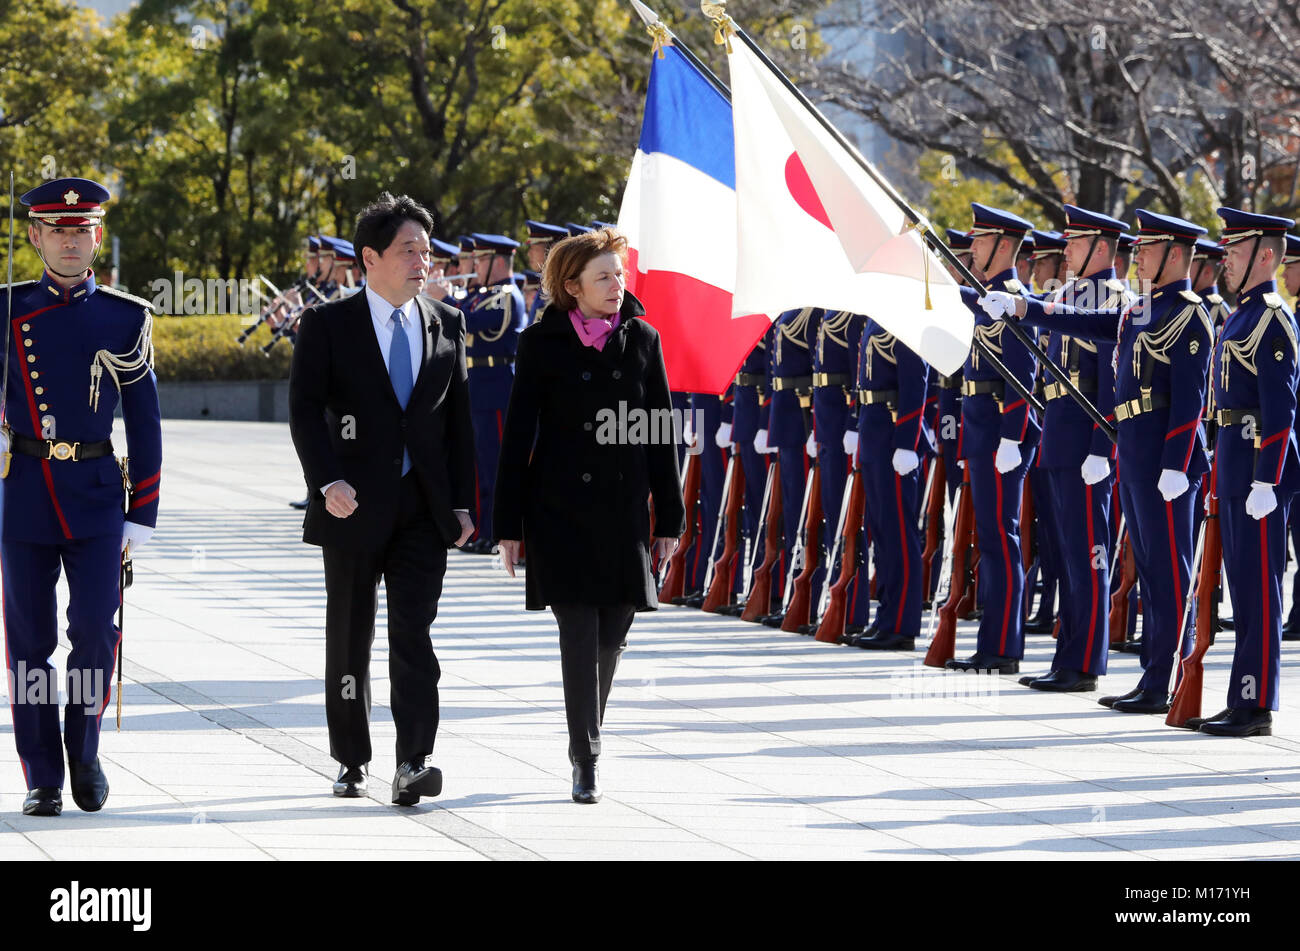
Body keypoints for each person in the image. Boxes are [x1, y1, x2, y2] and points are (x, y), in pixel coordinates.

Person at [982, 209, 1213, 714]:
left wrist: (1176, 461)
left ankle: (1168, 679)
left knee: (1169, 572)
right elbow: (1085, 320)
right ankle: (1152, 677)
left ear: (1175, 254)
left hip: (1163, 457)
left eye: (1148, 249)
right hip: (1134, 446)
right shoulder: (1141, 309)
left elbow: (1191, 398)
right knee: (1150, 571)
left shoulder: (1188, 312)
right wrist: (1024, 309)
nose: (1139, 257)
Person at [288, 192, 476, 805]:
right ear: (370, 257)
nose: (422, 261)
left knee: (414, 634)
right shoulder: (328, 324)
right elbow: (304, 412)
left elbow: (459, 424)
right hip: (351, 505)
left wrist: (465, 503)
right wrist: (326, 481)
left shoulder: (446, 324)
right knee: (350, 636)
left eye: (425, 250)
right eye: (407, 250)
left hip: (422, 508)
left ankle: (414, 759)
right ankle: (350, 757)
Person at [493, 226, 684, 804]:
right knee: (577, 635)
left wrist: (669, 521)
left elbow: (660, 435)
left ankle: (587, 734)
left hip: (623, 511)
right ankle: (586, 755)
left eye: (620, 275)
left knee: (612, 637)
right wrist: (509, 527)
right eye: (603, 277)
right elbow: (517, 437)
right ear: (572, 285)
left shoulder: (643, 340)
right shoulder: (540, 342)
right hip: (559, 512)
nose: (616, 286)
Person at [2, 177, 162, 817]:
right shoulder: (7, 310)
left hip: (97, 497)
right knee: (29, 644)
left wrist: (141, 513)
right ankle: (42, 773)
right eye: (57, 232)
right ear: (36, 237)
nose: (71, 243)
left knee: (96, 631)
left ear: (97, 237)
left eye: (82, 231)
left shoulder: (125, 316)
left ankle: (84, 748)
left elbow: (145, 421)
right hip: (25, 496)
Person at [1190, 208, 1299, 737]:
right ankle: (1240, 696)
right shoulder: (1240, 314)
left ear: (1265, 255)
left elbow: (1281, 408)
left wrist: (1268, 479)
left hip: (1258, 469)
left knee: (1258, 592)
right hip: (1232, 460)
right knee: (1240, 588)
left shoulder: (1273, 317)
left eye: (1235, 251)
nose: (1226, 259)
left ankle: (1255, 704)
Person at [1018, 205, 1130, 691]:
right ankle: (1068, 654)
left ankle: (1084, 663)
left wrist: (1101, 449)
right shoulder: (1067, 295)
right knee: (1065, 554)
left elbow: (1111, 381)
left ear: (1101, 249)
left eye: (1076, 242)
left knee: (1089, 555)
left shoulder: (1115, 299)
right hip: (1058, 436)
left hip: (1087, 441)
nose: (1065, 251)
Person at [945, 203, 1040, 675]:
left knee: (1002, 540)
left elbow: (1023, 377)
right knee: (989, 539)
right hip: (982, 432)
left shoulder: (1014, 300)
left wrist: (1013, 437)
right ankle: (993, 643)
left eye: (980, 241)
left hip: (1002, 435)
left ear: (1004, 246)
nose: (973, 248)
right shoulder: (990, 297)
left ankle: (1003, 647)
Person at [461, 233, 527, 554]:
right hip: (478, 384)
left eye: (482, 259)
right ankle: (480, 530)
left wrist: (442, 300)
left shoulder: (507, 295)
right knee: (479, 465)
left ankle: (496, 532)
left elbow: (476, 322)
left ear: (498, 261)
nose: (475, 265)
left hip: (497, 384)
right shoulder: (484, 293)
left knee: (496, 466)